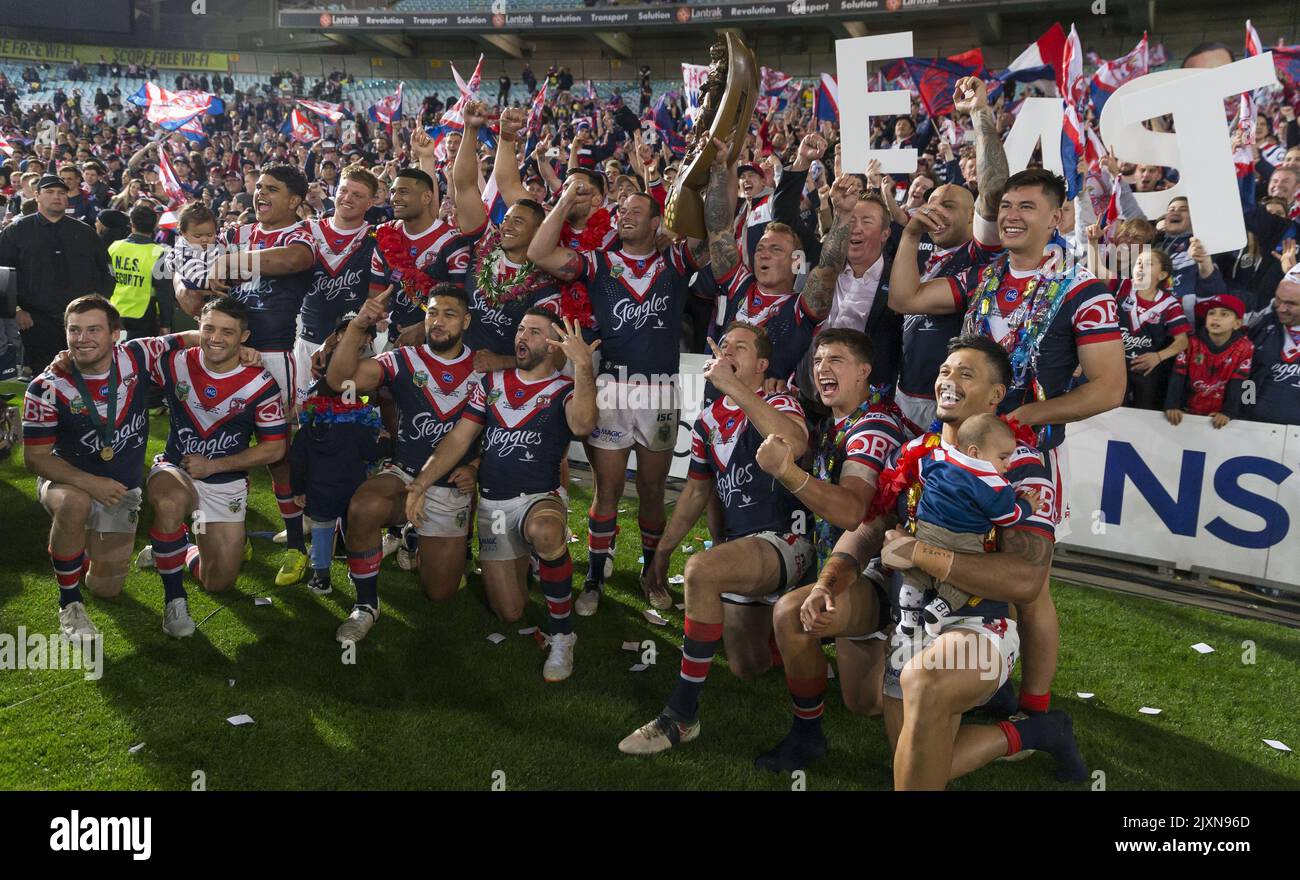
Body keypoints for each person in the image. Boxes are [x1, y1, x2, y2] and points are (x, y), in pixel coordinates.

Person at [885, 161, 1128, 719]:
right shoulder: (985, 274)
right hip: (963, 449)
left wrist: (1026, 415)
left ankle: (1034, 711)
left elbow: (1110, 386)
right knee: (954, 555)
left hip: (1028, 457)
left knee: (1028, 584)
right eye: (1005, 207)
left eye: (1028, 206)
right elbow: (905, 298)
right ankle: (959, 673)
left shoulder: (1084, 289)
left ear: (1059, 216)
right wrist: (913, 234)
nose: (1012, 216)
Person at [617, 322, 814, 755]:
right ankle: (793, 638)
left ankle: (681, 717)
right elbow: (694, 492)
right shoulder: (707, 420)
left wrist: (735, 388)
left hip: (790, 540)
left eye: (739, 348)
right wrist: (662, 552)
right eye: (723, 346)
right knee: (748, 666)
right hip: (747, 547)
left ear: (762, 365)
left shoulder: (779, 400)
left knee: (703, 571)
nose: (727, 352)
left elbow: (794, 441)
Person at [528, 174, 705, 615]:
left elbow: (711, 236)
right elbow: (539, 252)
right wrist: (569, 195)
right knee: (607, 491)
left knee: (650, 490)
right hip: (611, 385)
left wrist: (703, 178)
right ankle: (594, 575)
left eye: (635, 211)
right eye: (621, 210)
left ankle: (652, 572)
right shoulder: (598, 262)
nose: (624, 215)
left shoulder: (676, 262)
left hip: (660, 391)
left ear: (656, 223)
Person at [405, 311, 599, 682]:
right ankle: (531, 564)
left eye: (535, 332)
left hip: (537, 496)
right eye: (520, 328)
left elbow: (583, 424)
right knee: (510, 612)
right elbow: (460, 438)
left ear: (552, 344)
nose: (522, 336)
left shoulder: (565, 389)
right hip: (493, 504)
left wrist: (583, 367)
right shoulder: (491, 383)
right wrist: (421, 483)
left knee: (544, 530)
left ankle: (562, 635)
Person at [750, 328, 905, 770]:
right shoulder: (840, 422)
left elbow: (853, 512)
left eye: (836, 360)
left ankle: (806, 736)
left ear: (864, 371)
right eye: (818, 361)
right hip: (848, 569)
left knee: (790, 615)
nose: (823, 369)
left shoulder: (872, 427)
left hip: (880, 576)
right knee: (863, 703)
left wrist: (788, 474)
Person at [22, 297, 206, 638]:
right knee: (74, 505)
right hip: (68, 481)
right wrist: (91, 484)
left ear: (115, 335)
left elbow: (193, 336)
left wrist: (245, 351)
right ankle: (69, 604)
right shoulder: (46, 387)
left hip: (120, 489)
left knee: (107, 588)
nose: (82, 338)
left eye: (94, 329)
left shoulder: (138, 354)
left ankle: (83, 552)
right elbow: (36, 459)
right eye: (74, 330)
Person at [325, 284, 482, 642]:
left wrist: (474, 468)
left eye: (449, 314)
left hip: (450, 486)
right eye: (432, 312)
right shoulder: (403, 359)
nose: (438, 322)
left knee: (439, 593)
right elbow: (339, 381)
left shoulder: (483, 368)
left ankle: (415, 538)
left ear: (466, 321)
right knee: (363, 506)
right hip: (404, 473)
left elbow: (498, 429)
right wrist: (357, 327)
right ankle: (366, 605)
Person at [195, 164, 316, 587]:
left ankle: (298, 548)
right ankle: (232, 534)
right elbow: (191, 276)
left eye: (272, 189)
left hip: (274, 357)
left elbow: (292, 260)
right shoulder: (237, 232)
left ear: (295, 200)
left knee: (276, 455)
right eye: (258, 187)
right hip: (226, 355)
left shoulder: (302, 234)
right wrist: (200, 278)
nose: (260, 194)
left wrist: (230, 262)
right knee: (222, 443)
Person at [140, 298, 287, 636]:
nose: (216, 338)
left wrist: (214, 465)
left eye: (227, 332)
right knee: (170, 501)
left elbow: (274, 448)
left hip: (224, 483)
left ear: (244, 337)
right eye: (209, 328)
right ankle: (174, 602)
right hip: (176, 469)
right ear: (198, 328)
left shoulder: (261, 384)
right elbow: (127, 354)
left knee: (218, 582)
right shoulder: (173, 363)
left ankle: (175, 548)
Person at [889, 413, 1041, 639]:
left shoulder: (940, 456)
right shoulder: (993, 483)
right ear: (975, 453)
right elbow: (1007, 516)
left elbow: (922, 474)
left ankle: (908, 620)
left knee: (914, 574)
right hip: (961, 541)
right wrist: (1026, 505)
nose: (1008, 464)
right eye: (1003, 457)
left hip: (925, 531)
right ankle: (938, 609)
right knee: (964, 582)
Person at [290, 317, 384, 595]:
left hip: (321, 487)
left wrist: (298, 488)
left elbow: (298, 458)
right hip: (351, 482)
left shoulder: (309, 429)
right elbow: (369, 451)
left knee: (325, 529)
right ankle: (357, 570)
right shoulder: (358, 424)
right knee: (351, 523)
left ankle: (322, 576)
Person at [0, 174, 113, 375]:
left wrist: (98, 308)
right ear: (37, 196)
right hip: (36, 320)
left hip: (81, 322)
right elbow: (3, 274)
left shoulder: (85, 232)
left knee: (86, 376)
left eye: (62, 193)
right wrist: (16, 310)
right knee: (45, 379)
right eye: (50, 192)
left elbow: (106, 272)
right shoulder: (17, 231)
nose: (57, 197)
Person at [296, 165, 385, 408]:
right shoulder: (306, 230)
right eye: (344, 191)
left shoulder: (378, 238)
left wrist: (340, 339)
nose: (348, 198)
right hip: (308, 339)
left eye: (358, 195)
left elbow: (377, 299)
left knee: (351, 420)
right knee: (306, 417)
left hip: (354, 344)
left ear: (371, 203)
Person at [1164, 294, 1254, 429]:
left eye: (1224, 314)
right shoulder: (1191, 342)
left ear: (1237, 324)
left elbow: (1239, 383)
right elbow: (1178, 375)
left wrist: (1228, 412)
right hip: (1186, 412)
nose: (1216, 317)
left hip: (1219, 417)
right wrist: (1172, 405)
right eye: (1211, 313)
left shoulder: (1246, 347)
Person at [107, 205, 174, 340]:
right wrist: (166, 323)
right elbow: (165, 292)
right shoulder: (160, 253)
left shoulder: (114, 247)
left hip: (115, 312)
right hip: (144, 316)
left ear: (131, 223)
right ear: (155, 224)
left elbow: (106, 281)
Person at [1245, 268, 1300, 424]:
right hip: (1250, 430)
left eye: (1290, 304)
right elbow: (1245, 378)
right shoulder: (1260, 326)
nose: (1281, 308)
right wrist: (1242, 411)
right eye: (1278, 299)